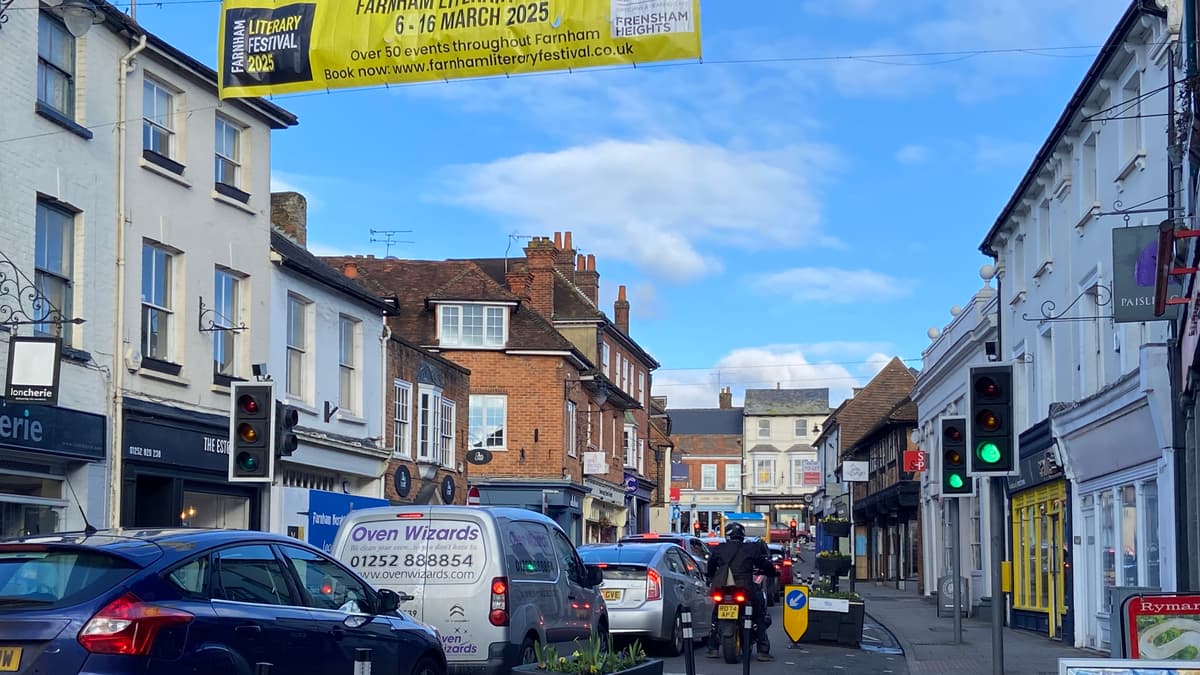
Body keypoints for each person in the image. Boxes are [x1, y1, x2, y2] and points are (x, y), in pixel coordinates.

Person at [705, 522, 779, 661]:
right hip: (745, 588)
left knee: (715, 616)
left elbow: (710, 566)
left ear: (727, 535)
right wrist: (772, 572)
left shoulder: (720, 549)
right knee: (759, 614)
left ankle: (713, 648)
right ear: (742, 536)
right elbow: (764, 564)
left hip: (722, 587)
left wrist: (710, 576)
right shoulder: (751, 548)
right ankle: (763, 650)